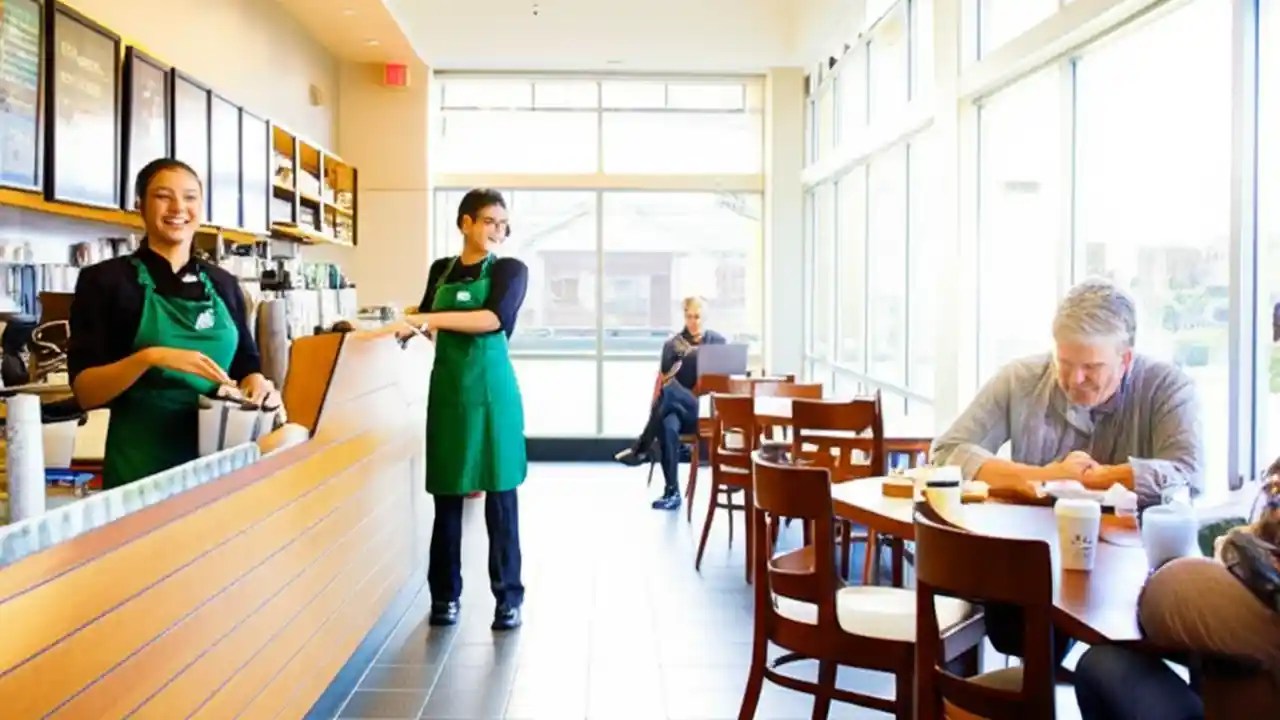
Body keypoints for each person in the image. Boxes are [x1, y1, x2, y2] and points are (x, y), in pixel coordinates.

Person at [931, 278, 1204, 665]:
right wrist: (1043, 478)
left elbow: (1188, 473)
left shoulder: (1167, 387)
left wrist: (1094, 479)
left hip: (1133, 579)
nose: (1075, 379)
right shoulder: (1020, 379)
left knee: (1119, 660)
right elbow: (947, 451)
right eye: (1065, 363)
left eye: (1091, 367)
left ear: (1125, 360)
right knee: (1007, 622)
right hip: (1034, 569)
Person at [67, 158, 272, 490]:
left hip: (220, 471)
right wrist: (151, 357)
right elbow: (85, 392)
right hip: (140, 473)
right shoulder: (106, 282)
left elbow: (247, 366)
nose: (178, 208)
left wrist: (257, 383)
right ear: (140, 206)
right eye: (163, 196)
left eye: (190, 197)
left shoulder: (224, 284)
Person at [397, 188, 529, 631]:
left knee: (501, 496)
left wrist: (427, 319)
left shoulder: (510, 270)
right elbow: (427, 322)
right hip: (450, 392)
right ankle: (444, 596)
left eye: (503, 224)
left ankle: (508, 598)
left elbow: (493, 319)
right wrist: (406, 326)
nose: (498, 231)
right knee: (447, 497)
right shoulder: (442, 270)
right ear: (465, 223)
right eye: (490, 221)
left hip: (493, 396)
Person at [614, 296, 726, 510]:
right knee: (667, 421)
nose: (693, 321)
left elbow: (725, 380)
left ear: (705, 317)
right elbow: (665, 379)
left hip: (702, 409)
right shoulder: (673, 345)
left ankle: (641, 448)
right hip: (677, 409)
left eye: (697, 317)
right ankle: (672, 492)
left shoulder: (718, 342)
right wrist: (680, 362)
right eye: (689, 316)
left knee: (670, 392)